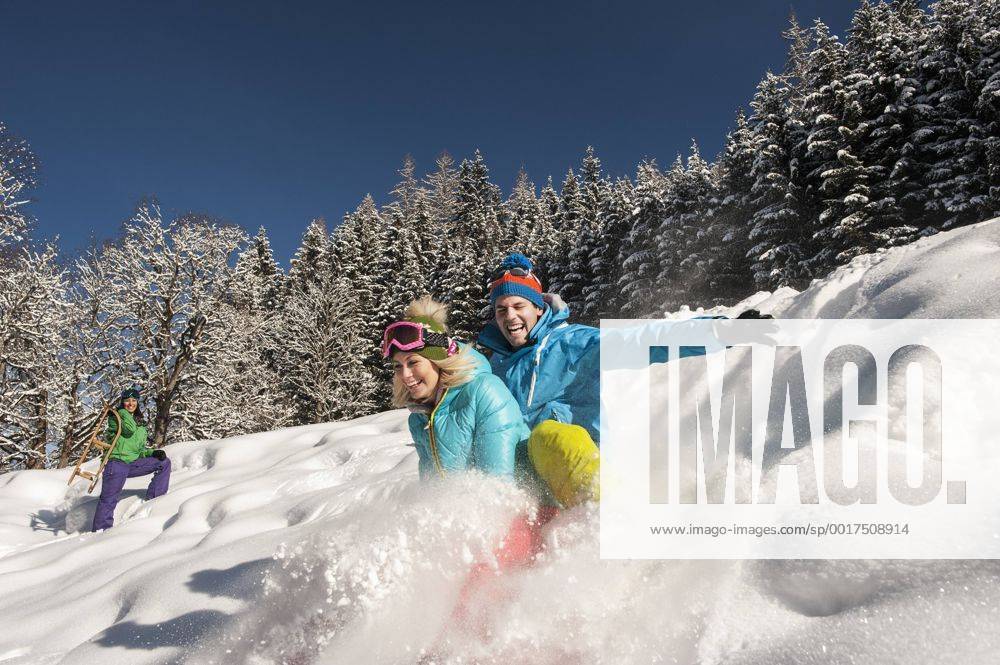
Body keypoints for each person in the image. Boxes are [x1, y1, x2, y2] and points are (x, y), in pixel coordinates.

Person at [385, 296, 530, 480]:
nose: (405, 375)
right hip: (465, 506)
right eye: (398, 366)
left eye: (413, 362)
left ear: (439, 361)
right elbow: (433, 490)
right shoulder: (419, 418)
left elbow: (497, 484)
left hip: (527, 503)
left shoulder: (484, 393)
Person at [91, 388, 170, 532]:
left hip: (133, 463)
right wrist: (121, 411)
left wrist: (153, 452)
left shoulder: (140, 424)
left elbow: (139, 451)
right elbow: (129, 429)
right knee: (109, 500)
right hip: (117, 462)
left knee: (164, 463)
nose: (130, 403)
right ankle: (100, 532)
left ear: (138, 402)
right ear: (122, 402)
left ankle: (154, 501)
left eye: (134, 400)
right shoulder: (116, 417)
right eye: (127, 400)